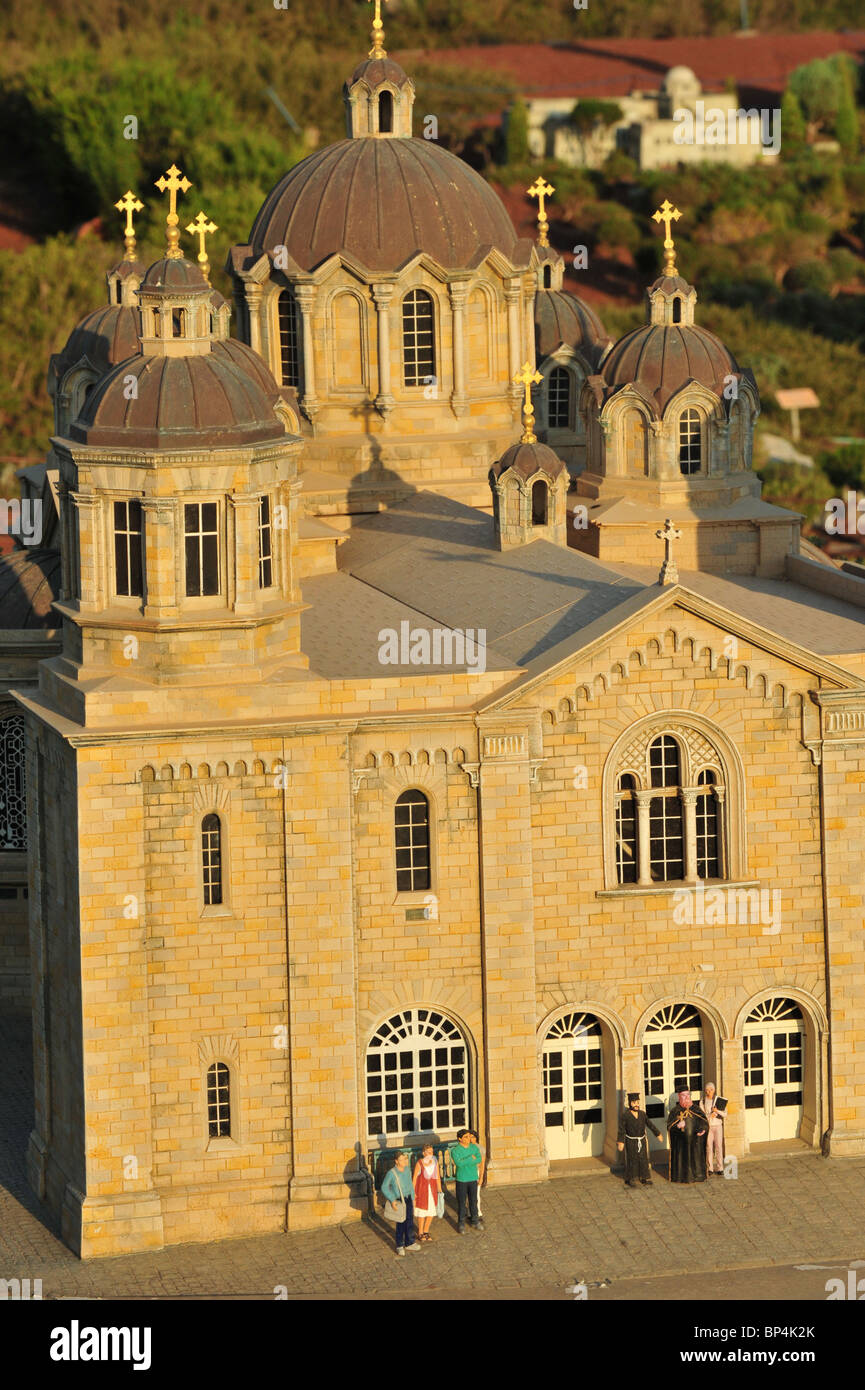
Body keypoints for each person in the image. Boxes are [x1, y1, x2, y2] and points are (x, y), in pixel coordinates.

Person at [381, 1151, 423, 1256]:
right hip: (399, 1200)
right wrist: (392, 1200)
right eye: (402, 1159)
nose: (405, 1161)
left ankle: (410, 1242)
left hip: (408, 1199)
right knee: (400, 1223)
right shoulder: (392, 1173)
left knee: (409, 1221)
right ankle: (399, 1245)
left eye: (405, 1159)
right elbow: (384, 1187)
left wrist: (413, 1198)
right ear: (396, 1161)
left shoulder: (407, 1170)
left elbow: (410, 1184)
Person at [616, 1091, 662, 1187]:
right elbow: (621, 1129)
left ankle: (644, 1177)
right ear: (630, 1103)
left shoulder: (642, 1114)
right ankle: (630, 1178)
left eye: (637, 1102)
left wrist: (657, 1133)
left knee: (643, 1158)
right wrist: (620, 1141)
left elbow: (650, 1124)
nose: (636, 1105)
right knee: (632, 1159)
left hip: (641, 1140)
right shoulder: (626, 1116)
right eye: (634, 1103)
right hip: (631, 1140)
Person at [667, 1089, 708, 1183]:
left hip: (695, 1141)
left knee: (695, 1159)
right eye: (683, 1096)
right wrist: (677, 1125)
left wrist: (703, 1129)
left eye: (688, 1095)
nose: (686, 1098)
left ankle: (698, 1176)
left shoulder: (696, 1109)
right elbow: (669, 1127)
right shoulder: (675, 1111)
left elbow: (704, 1122)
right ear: (679, 1097)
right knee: (683, 1160)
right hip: (681, 1144)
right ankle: (682, 1178)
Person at [449, 1128, 485, 1233]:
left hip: (473, 1177)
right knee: (461, 1202)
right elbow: (458, 1163)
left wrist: (466, 1160)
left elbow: (478, 1159)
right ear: (460, 1139)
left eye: (469, 1136)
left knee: (474, 1201)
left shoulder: (474, 1147)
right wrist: (470, 1158)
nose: (469, 1138)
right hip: (462, 1179)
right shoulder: (455, 1151)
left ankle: (475, 1221)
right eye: (466, 1137)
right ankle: (461, 1223)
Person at [413, 1143, 442, 1242]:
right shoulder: (419, 1163)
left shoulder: (435, 1162)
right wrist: (413, 1193)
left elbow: (437, 1176)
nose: (430, 1154)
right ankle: (420, 1232)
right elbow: (414, 1179)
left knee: (431, 1211)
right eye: (428, 1152)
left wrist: (440, 1190)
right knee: (421, 1212)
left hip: (432, 1190)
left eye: (432, 1152)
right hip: (421, 1190)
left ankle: (426, 1231)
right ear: (424, 1153)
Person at [701, 1082, 725, 1175]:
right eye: (707, 1090)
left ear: (714, 1090)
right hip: (709, 1126)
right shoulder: (702, 1101)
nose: (709, 1091)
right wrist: (709, 1115)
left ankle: (720, 1168)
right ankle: (710, 1168)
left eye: (711, 1089)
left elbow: (725, 1114)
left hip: (718, 1126)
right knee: (709, 1147)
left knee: (719, 1146)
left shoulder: (719, 1100)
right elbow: (702, 1116)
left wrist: (717, 1111)